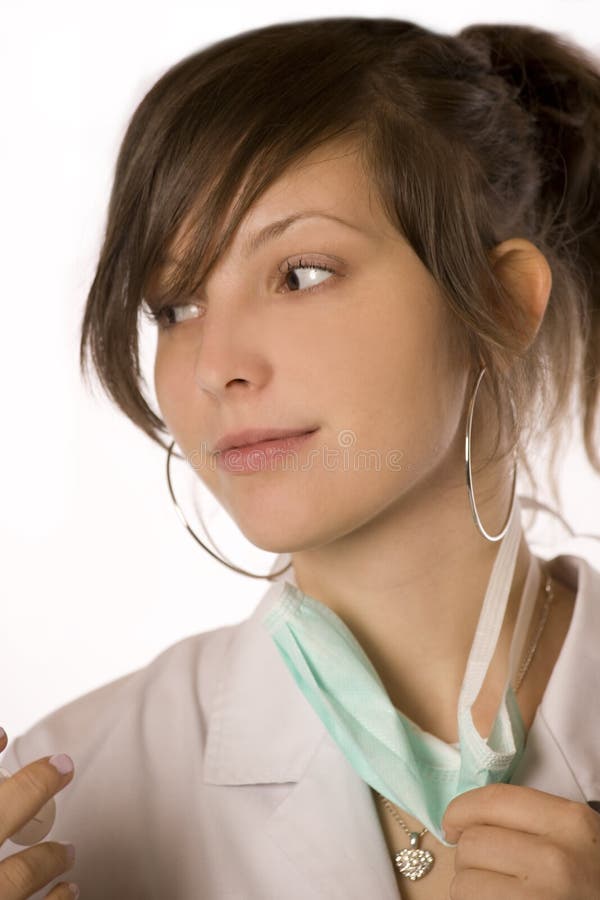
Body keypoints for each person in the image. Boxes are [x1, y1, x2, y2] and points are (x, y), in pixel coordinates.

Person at [1, 15, 599, 900]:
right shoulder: (71, 802)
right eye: (172, 307)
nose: (216, 366)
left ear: (503, 304)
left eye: (301, 273)